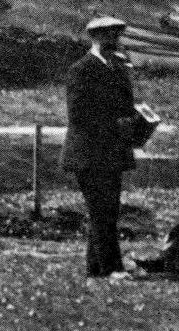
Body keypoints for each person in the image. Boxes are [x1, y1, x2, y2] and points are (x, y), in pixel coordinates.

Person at [62, 16, 157, 279]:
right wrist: (116, 123)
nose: (113, 42)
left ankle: (96, 268)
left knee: (107, 210)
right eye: (108, 37)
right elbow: (78, 115)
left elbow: (125, 106)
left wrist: (138, 119)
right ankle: (112, 268)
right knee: (101, 210)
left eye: (116, 36)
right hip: (89, 153)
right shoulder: (81, 70)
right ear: (95, 37)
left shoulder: (118, 68)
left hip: (112, 152)